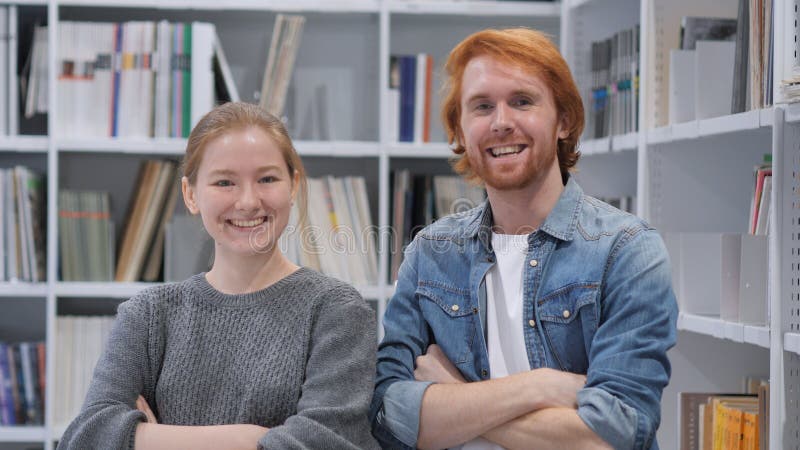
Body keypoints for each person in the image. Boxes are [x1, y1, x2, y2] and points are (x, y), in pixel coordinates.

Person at [370, 28, 677, 450]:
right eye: (481, 106)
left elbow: (613, 436)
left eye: (522, 101)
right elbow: (388, 415)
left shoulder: (626, 251)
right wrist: (540, 387)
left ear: (563, 121)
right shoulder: (431, 253)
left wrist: (456, 398)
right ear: (459, 131)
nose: (501, 122)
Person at [58, 102, 380, 450]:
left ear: (294, 186)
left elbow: (328, 443)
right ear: (191, 195)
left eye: (267, 179)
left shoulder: (336, 311)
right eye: (225, 182)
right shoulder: (149, 315)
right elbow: (85, 437)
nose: (247, 201)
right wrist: (250, 438)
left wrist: (148, 438)